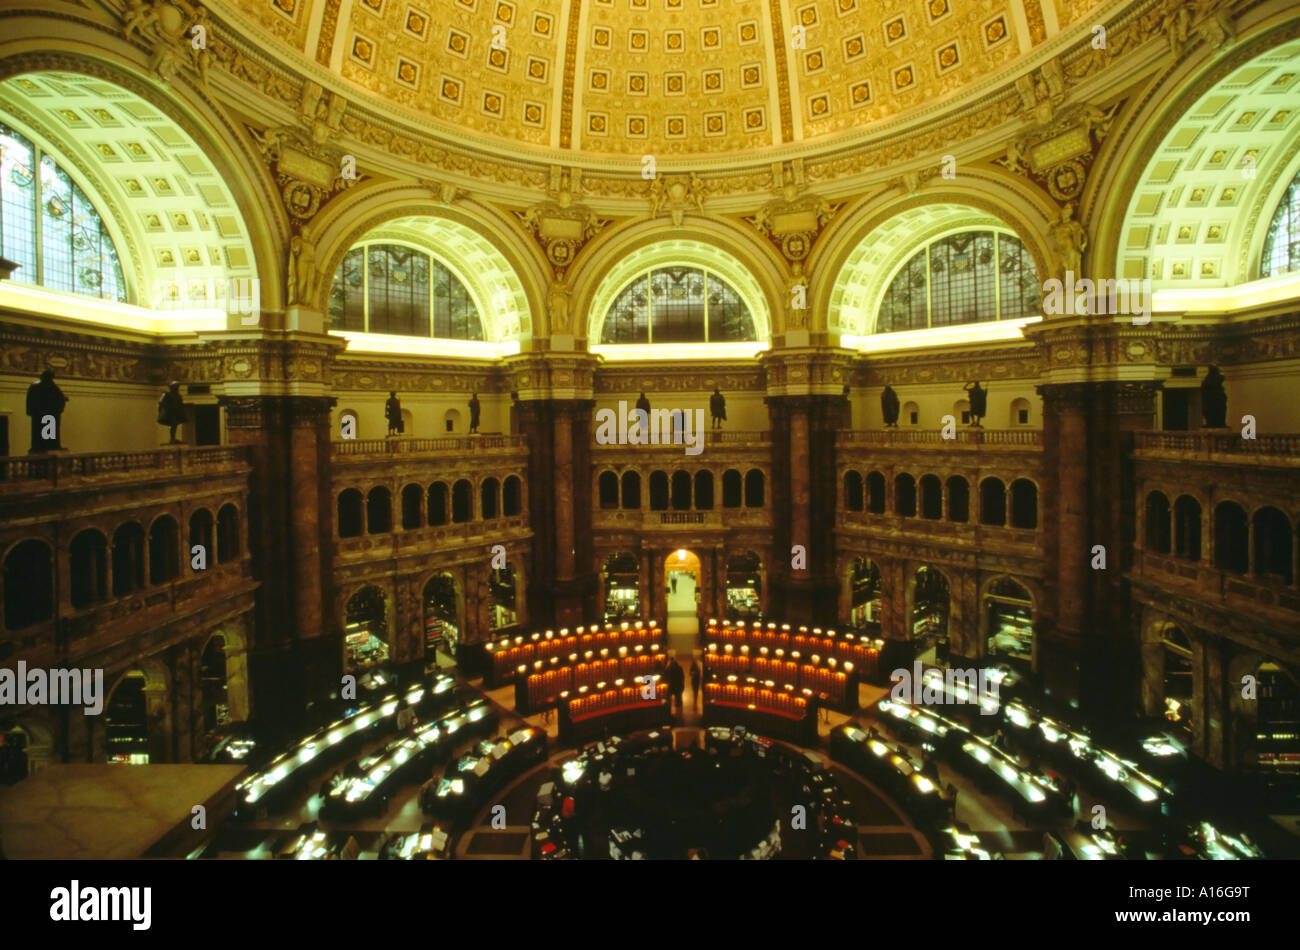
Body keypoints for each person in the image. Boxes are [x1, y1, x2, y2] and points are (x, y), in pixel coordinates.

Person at [26, 369, 67, 453]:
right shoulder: (50, 386)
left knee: (44, 434)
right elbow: (60, 398)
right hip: (47, 415)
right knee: (46, 435)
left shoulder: (37, 386)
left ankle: (46, 446)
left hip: (43, 415)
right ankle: (48, 446)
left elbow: (60, 398)